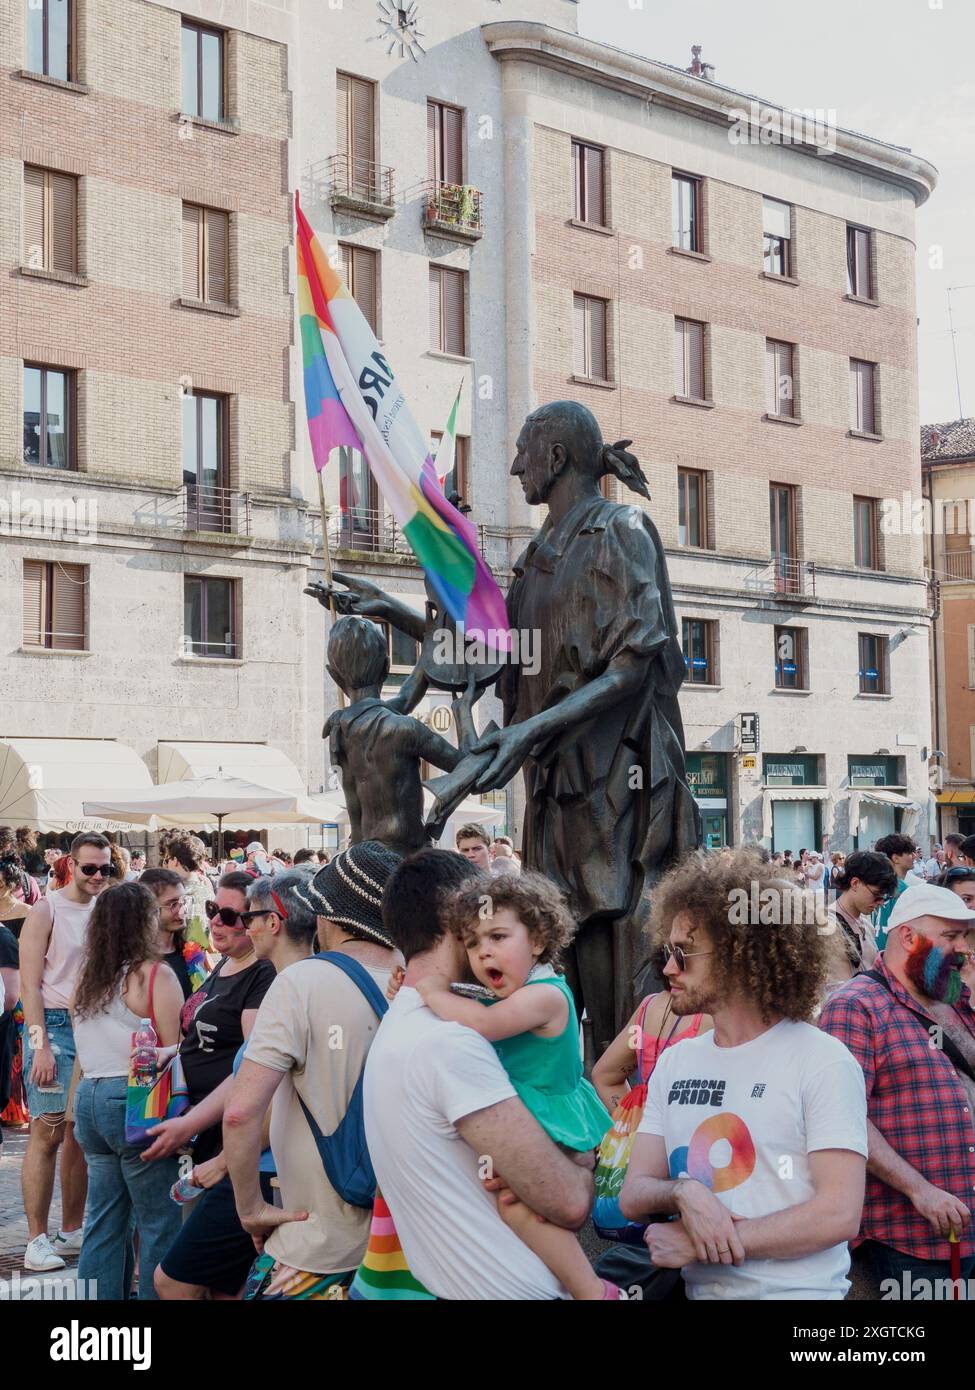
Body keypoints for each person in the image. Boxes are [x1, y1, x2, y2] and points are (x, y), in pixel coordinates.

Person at [619, 848, 867, 1299]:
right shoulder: (676, 1061)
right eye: (667, 951)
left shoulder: (822, 1061)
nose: (669, 968)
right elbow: (634, 1193)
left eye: (684, 952)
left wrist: (700, 1245)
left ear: (740, 953)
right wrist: (683, 1193)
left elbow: (838, 1215)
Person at [361, 848, 594, 1299]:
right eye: (476, 936)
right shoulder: (448, 1042)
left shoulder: (405, 1022)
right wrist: (582, 1169)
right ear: (456, 922)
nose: (485, 949)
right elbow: (570, 1201)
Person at [417, 873, 616, 1299]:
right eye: (471, 943)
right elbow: (481, 1005)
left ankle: (591, 1290)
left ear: (539, 940)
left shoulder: (547, 995)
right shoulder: (523, 989)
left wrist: (432, 992)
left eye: (498, 936)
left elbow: (486, 1023)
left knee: (521, 1209)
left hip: (547, 1116)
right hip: (534, 1110)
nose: (483, 950)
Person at [222, 844, 402, 1300]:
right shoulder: (421, 981)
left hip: (318, 1246)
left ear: (330, 918)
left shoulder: (303, 982)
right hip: (403, 1250)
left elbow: (240, 1114)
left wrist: (250, 1209)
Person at [152, 870, 317, 1300]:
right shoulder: (264, 976)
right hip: (242, 1157)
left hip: (259, 1168)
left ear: (272, 922)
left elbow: (259, 1101)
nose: (226, 923)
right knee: (230, 1287)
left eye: (241, 916)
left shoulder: (285, 988)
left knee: (171, 1281)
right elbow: (250, 1079)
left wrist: (226, 1166)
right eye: (215, 912)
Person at [820, 883, 975, 1294]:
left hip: (966, 1219)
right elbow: (844, 1119)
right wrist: (919, 1190)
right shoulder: (856, 1005)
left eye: (966, 936)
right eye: (951, 936)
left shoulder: (954, 994)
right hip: (912, 1233)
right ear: (908, 936)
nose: (963, 948)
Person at [71, 882, 183, 1299]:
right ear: (143, 922)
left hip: (91, 1096)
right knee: (159, 1220)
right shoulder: (154, 975)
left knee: (103, 1221)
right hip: (137, 1097)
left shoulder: (87, 977)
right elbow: (170, 1053)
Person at [19, 833, 119, 1272]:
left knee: (79, 1134)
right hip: (56, 1027)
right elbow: (28, 985)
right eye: (89, 868)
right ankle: (36, 1238)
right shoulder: (47, 908)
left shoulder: (107, 909)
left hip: (94, 1024)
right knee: (47, 1131)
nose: (98, 876)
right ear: (70, 865)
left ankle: (72, 1229)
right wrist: (39, 1046)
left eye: (105, 869)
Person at [177, 871, 276, 1166]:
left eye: (229, 916)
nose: (216, 921)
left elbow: (255, 1064)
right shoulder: (226, 961)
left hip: (220, 1130)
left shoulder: (262, 974)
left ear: (253, 923)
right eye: (213, 910)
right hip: (195, 1121)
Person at [592, 946, 713, 1113]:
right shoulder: (714, 1016)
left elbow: (604, 1076)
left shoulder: (648, 1007)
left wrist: (632, 1123)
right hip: (691, 1135)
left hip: (646, 1135)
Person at [824, 851, 897, 995]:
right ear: (855, 883)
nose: (881, 903)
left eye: (884, 898)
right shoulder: (829, 925)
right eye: (876, 895)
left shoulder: (864, 920)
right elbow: (840, 992)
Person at [139, 868, 207, 1001]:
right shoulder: (137, 959)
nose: (182, 911)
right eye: (173, 904)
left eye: (184, 901)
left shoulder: (191, 953)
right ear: (148, 908)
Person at [162, 834, 214, 950]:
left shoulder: (177, 893)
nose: (166, 864)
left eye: (167, 860)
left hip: (183, 956)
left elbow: (191, 936)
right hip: (199, 955)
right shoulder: (206, 887)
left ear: (175, 861)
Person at [871, 834, 919, 949]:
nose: (914, 856)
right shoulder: (901, 888)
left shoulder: (876, 885)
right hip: (891, 952)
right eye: (909, 853)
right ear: (895, 858)